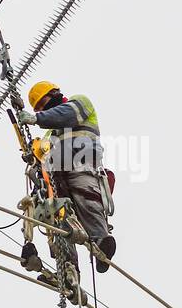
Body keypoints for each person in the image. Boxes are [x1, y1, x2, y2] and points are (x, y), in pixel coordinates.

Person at [17, 79, 116, 272]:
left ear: (54, 94)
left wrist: (37, 119)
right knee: (60, 221)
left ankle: (101, 243)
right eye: (39, 109)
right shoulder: (49, 135)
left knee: (87, 199)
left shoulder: (79, 103)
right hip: (58, 178)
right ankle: (68, 269)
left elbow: (65, 114)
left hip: (82, 162)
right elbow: (42, 159)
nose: (42, 110)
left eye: (43, 104)